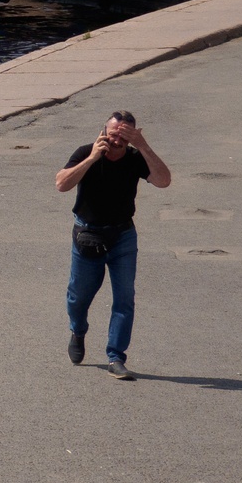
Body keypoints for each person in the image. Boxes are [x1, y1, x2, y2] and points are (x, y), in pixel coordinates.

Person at [55, 110, 172, 379]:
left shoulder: (135, 158)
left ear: (132, 137)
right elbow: (61, 184)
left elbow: (164, 181)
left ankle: (115, 357)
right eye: (113, 133)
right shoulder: (86, 151)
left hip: (122, 236)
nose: (117, 140)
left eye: (124, 135)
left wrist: (143, 146)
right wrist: (93, 158)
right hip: (87, 235)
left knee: (124, 298)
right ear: (103, 132)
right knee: (78, 297)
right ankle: (78, 329)